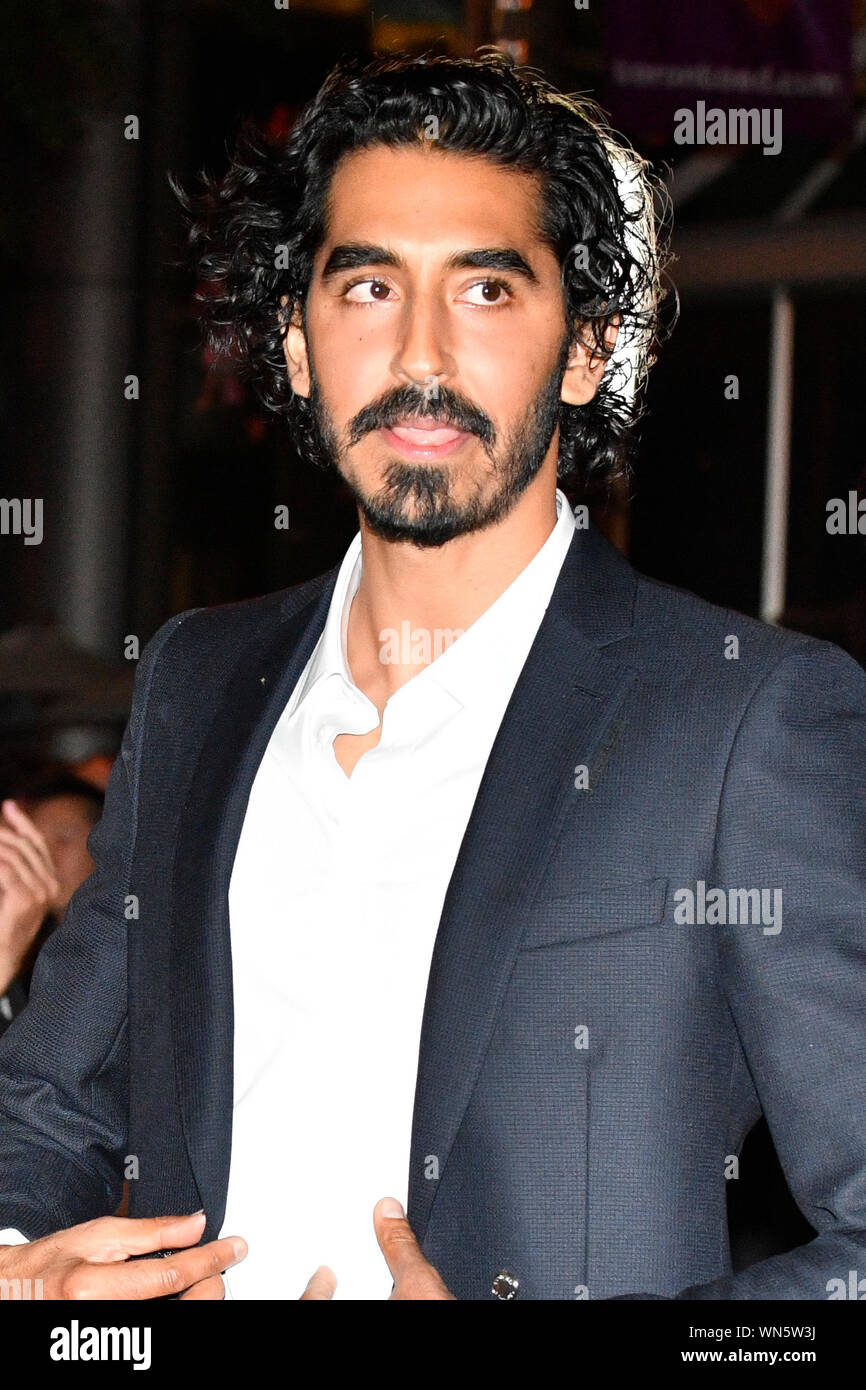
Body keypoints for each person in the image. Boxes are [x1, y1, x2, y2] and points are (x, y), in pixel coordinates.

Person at [0, 49, 864, 1301]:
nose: (419, 354)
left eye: (485, 292)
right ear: (294, 346)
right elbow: (51, 1107)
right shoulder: (198, 679)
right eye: (365, 287)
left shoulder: (742, 714)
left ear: (584, 350)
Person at [0, 775, 104, 1034]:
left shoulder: (133, 946)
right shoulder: (30, 956)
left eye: (62, 839)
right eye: (35, 843)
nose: (44, 856)